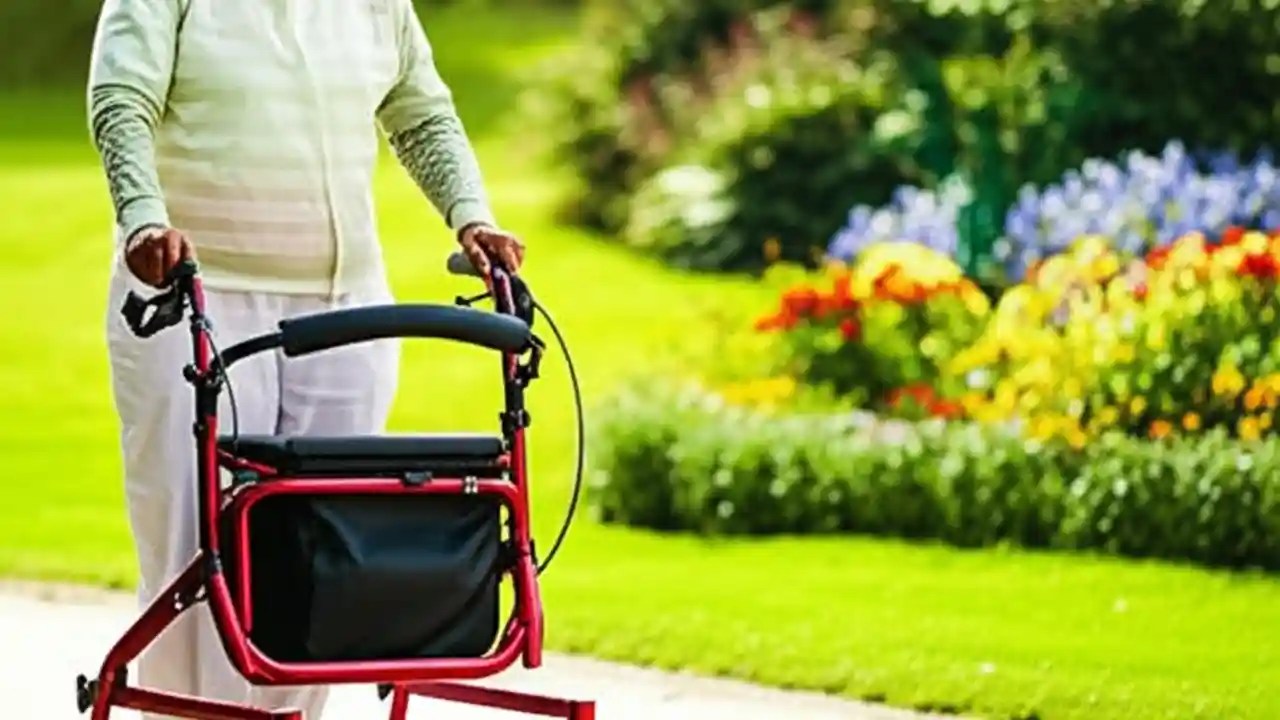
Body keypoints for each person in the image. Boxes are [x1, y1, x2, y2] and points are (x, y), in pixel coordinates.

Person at [87, 0, 524, 717]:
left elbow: (421, 114)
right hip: (195, 295)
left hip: (342, 304)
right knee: (194, 547)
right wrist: (142, 217)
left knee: (318, 550)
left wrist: (471, 214)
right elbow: (120, 99)